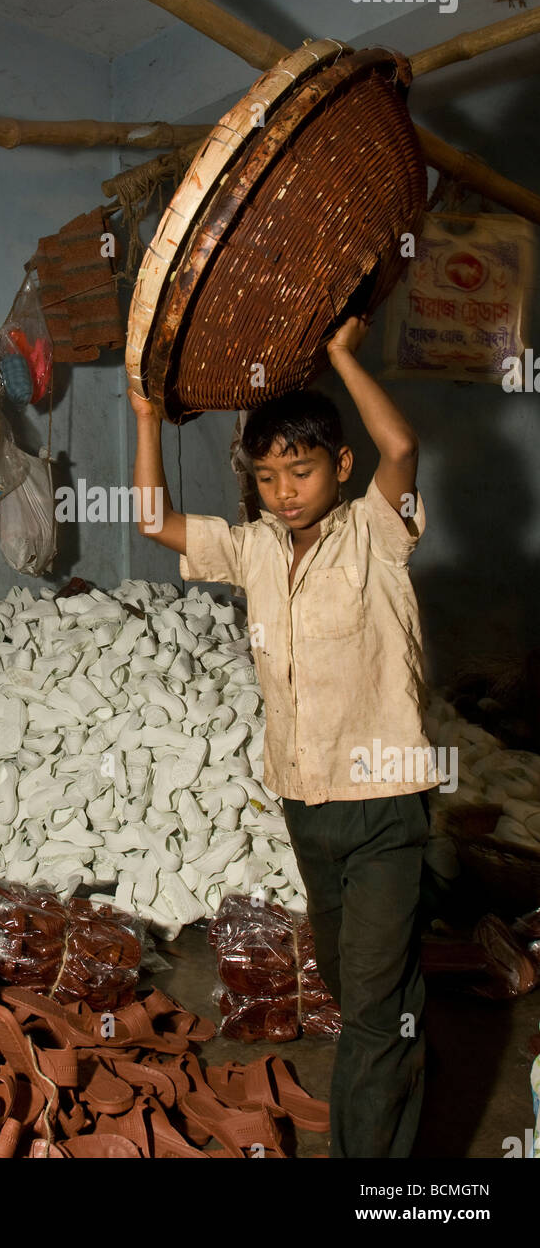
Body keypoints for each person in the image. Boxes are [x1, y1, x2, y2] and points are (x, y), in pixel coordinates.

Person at [128, 315, 437, 1158]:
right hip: (307, 806)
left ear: (339, 466)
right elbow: (153, 521)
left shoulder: (376, 533)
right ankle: (408, 1059)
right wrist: (147, 417)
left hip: (383, 804)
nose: (285, 491)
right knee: (354, 981)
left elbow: (401, 445)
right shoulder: (255, 549)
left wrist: (340, 354)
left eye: (300, 471)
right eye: (266, 477)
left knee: (367, 1010)